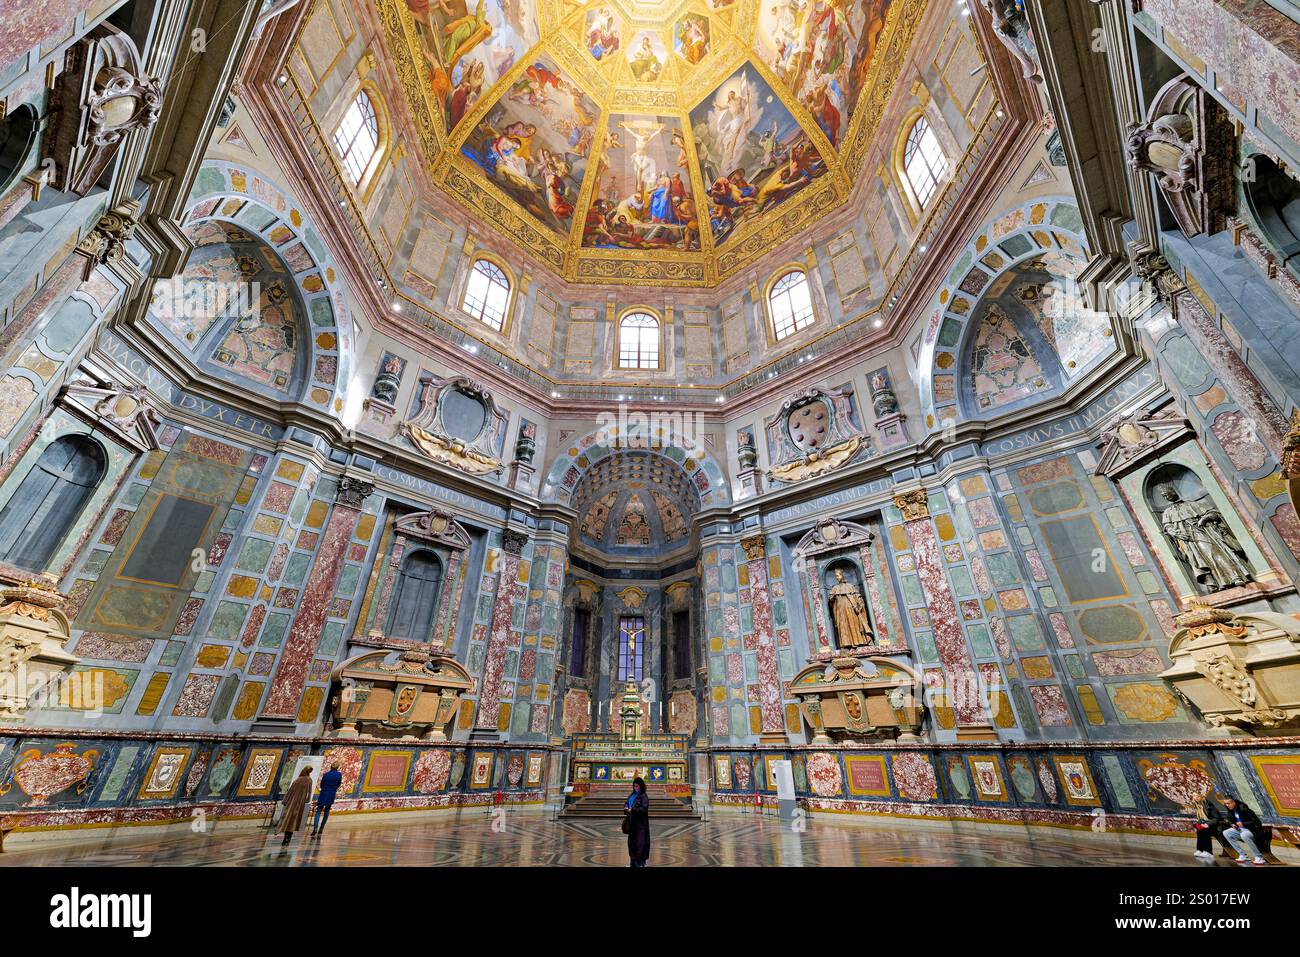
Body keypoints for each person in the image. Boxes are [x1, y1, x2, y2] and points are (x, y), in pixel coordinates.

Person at [1220, 795, 1267, 865]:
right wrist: (1232, 824)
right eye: (1225, 804)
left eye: (1228, 803)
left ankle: (1259, 857)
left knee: (1244, 835)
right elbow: (1229, 818)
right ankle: (1243, 855)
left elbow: (1257, 822)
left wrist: (1244, 824)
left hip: (1252, 830)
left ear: (1233, 802)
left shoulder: (1244, 809)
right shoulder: (1230, 809)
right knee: (1226, 832)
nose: (1227, 805)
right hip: (1240, 829)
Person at [278, 766, 313, 847]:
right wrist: (307, 800)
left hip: (292, 802)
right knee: (295, 820)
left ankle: (285, 838)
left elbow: (290, 791)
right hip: (300, 803)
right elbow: (309, 792)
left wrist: (285, 801)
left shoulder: (297, 780)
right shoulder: (309, 780)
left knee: (289, 819)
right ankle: (288, 838)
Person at [310, 763, 344, 838]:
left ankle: (315, 828)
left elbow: (321, 784)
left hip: (324, 792)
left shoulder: (326, 774)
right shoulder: (339, 775)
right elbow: (338, 784)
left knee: (318, 811)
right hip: (331, 793)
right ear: (337, 767)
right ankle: (321, 828)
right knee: (327, 811)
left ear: (330, 767)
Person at [624, 776, 650, 868]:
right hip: (632, 824)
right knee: (631, 844)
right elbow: (627, 803)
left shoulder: (644, 796)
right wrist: (626, 808)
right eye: (634, 786)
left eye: (637, 786)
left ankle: (640, 864)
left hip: (640, 825)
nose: (635, 788)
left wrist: (633, 810)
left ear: (641, 786)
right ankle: (632, 864)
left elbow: (644, 809)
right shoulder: (632, 795)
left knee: (640, 844)